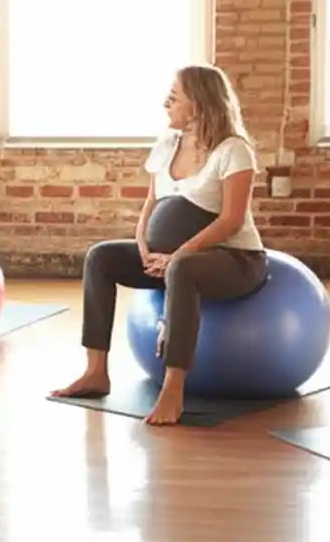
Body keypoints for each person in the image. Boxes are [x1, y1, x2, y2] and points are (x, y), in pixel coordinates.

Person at [51, 64, 267, 427]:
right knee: (100, 257)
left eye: (173, 97)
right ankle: (95, 371)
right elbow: (151, 204)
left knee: (183, 270)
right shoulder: (167, 144)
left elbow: (231, 219)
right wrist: (142, 246)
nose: (165, 103)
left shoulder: (234, 150)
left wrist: (178, 255)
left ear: (198, 104)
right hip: (166, 261)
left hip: (233, 260)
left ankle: (173, 388)